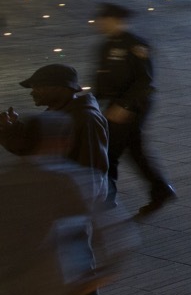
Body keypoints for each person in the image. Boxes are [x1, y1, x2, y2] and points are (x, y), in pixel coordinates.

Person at [0, 110, 133, 295]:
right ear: (60, 141)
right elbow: (119, 237)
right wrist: (95, 279)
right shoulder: (73, 179)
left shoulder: (6, 181)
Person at [91, 2, 175, 216]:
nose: (99, 24)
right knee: (134, 150)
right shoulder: (105, 46)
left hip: (134, 106)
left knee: (110, 152)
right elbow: (101, 79)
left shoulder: (136, 45)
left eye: (103, 20)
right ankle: (160, 189)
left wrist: (124, 106)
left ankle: (107, 199)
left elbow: (145, 81)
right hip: (115, 105)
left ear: (115, 21)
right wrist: (91, 100)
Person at [3, 63, 111, 202]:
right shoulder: (56, 111)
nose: (32, 93)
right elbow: (31, 150)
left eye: (38, 88)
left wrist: (82, 205)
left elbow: (91, 168)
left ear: (61, 88)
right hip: (56, 197)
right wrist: (10, 129)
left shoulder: (86, 119)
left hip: (70, 202)